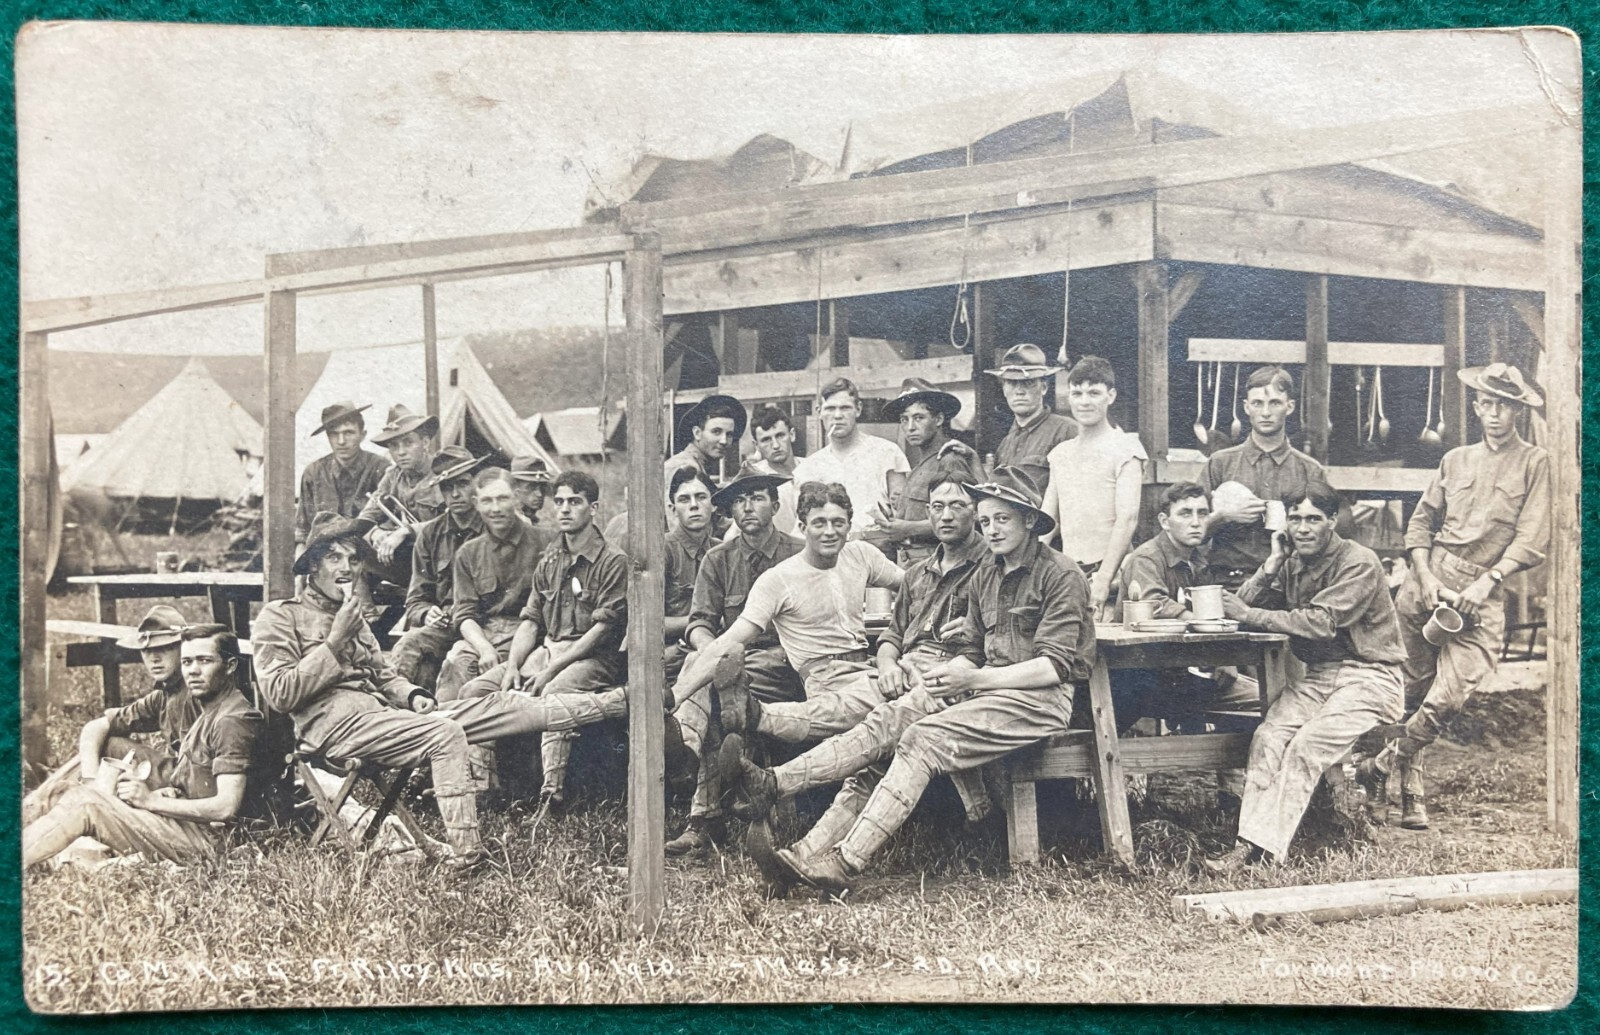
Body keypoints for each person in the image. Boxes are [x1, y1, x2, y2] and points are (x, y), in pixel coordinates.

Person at [766, 466, 1094, 895]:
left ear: (1030, 520)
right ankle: (798, 833)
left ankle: (846, 861)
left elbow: (1053, 668)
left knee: (922, 739)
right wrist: (952, 673)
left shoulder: (1060, 574)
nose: (992, 530)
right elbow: (972, 647)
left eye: (1003, 519)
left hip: (1038, 701)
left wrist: (973, 677)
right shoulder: (988, 573)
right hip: (985, 692)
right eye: (986, 520)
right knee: (888, 720)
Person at [253, 514, 627, 871]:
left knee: (495, 704)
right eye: (334, 558)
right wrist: (335, 641)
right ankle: (467, 855)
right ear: (313, 566)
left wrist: (412, 696)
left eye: (353, 559)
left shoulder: (348, 615)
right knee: (444, 733)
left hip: (381, 718)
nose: (347, 568)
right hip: (334, 730)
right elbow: (281, 694)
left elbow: (384, 676)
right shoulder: (281, 616)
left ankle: (616, 703)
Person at [721, 466, 997, 879]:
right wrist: (888, 663)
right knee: (875, 755)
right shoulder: (921, 573)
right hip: (911, 673)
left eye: (957, 505)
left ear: (975, 512)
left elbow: (1001, 637)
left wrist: (973, 633)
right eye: (937, 506)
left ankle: (772, 771)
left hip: (960, 680)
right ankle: (801, 854)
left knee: (878, 724)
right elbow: (892, 634)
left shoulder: (992, 566)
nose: (945, 515)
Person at [1355, 363, 1550, 831]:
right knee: (1410, 690)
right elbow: (1421, 523)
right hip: (1430, 581)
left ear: (1519, 411)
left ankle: (1378, 766)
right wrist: (1423, 576)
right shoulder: (1455, 460)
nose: (1495, 414)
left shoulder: (1535, 463)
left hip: (1483, 592)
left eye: (1505, 405)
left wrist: (1488, 581)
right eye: (1488, 404)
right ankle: (1410, 793)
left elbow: (1531, 537)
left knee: (1450, 696)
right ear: (1476, 407)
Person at [1203, 485, 1405, 874]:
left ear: (1333, 520)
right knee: (1268, 737)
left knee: (1305, 745)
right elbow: (1241, 606)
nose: (1303, 528)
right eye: (1295, 519)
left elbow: (1321, 622)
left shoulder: (1359, 562)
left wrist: (1248, 614)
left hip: (1371, 678)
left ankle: (1263, 854)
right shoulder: (1292, 562)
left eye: (1313, 519)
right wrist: (1273, 562)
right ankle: (1247, 846)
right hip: (1320, 677)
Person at [666, 482, 904, 790]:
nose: (829, 532)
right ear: (803, 527)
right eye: (819, 523)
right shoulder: (777, 577)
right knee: (893, 713)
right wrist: (676, 695)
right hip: (820, 675)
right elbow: (728, 639)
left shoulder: (861, 554)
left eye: (838, 523)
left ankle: (759, 755)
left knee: (908, 703)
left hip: (862, 669)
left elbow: (915, 585)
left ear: (849, 525)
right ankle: (696, 751)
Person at [24, 625, 279, 868]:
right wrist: (167, 794)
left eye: (204, 661)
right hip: (189, 825)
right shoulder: (212, 709)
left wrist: (149, 801)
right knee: (78, 796)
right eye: (187, 662)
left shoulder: (232, 721)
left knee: (86, 804)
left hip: (210, 842)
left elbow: (225, 807)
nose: (193, 671)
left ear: (230, 665)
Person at [461, 470, 630, 815]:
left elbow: (601, 631)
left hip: (593, 660)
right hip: (547, 651)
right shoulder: (551, 558)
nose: (564, 509)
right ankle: (483, 788)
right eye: (560, 502)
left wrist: (551, 669)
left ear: (594, 508)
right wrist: (512, 665)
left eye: (575, 502)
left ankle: (551, 796)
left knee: (554, 695)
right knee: (475, 691)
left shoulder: (613, 562)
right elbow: (531, 620)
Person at [663, 472, 805, 856]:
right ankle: (687, 753)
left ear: (776, 506)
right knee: (709, 668)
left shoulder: (798, 553)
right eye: (739, 501)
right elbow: (699, 623)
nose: (748, 507)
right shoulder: (719, 559)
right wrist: (712, 650)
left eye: (757, 498)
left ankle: (703, 815)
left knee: (720, 684)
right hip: (730, 659)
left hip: (783, 660)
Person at [23, 605, 197, 824]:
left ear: (184, 648)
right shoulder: (164, 694)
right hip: (178, 775)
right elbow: (95, 727)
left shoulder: (198, 691)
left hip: (191, 789)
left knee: (101, 760)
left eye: (165, 648)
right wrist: (92, 780)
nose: (154, 658)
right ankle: (38, 808)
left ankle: (35, 811)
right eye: (146, 650)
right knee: (108, 744)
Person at [1200, 366, 1328, 592]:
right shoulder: (1219, 463)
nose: (1266, 412)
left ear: (1290, 407)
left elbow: (1325, 538)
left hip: (1290, 588)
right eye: (1257, 403)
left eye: (1275, 403)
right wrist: (1223, 516)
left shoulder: (1310, 470)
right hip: (1229, 584)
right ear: (1246, 407)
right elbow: (1191, 534)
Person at [1040, 356, 1146, 615]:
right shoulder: (1060, 454)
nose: (1084, 401)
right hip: (1069, 573)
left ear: (1111, 396)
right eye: (1077, 393)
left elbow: (1128, 519)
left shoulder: (1125, 449)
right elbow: (1046, 522)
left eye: (1094, 393)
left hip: (1112, 575)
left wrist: (1103, 580)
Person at [438, 468, 550, 698]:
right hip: (483, 634)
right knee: (454, 668)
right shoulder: (468, 553)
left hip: (528, 636)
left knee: (480, 691)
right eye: (487, 501)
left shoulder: (546, 542)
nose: (495, 509)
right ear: (476, 504)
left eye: (502, 498)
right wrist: (484, 648)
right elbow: (464, 614)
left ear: (516, 498)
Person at [389, 447, 485, 688]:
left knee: (452, 667)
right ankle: (394, 702)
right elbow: (415, 599)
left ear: (477, 483)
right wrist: (426, 613)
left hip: (484, 626)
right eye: (447, 487)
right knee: (410, 648)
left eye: (463, 484)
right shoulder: (431, 535)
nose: (455, 494)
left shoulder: (493, 529)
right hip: (444, 628)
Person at [874, 377, 976, 565]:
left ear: (939, 419)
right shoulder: (921, 464)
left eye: (919, 418)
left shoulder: (949, 460)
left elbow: (961, 520)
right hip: (910, 561)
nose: (910, 427)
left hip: (934, 561)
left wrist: (907, 528)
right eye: (904, 419)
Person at [790, 378, 910, 536]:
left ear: (858, 409)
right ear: (819, 412)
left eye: (845, 408)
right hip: (829, 546)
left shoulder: (887, 453)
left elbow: (902, 513)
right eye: (830, 408)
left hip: (878, 545)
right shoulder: (807, 469)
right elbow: (802, 526)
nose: (837, 415)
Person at [356, 405, 444, 587]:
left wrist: (407, 531)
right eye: (394, 446)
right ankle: (364, 606)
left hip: (440, 561)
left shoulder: (443, 473)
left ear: (425, 442)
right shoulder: (393, 476)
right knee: (349, 546)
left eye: (408, 443)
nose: (401, 452)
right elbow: (364, 519)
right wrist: (376, 533)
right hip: (408, 560)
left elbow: (452, 521)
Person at [295, 401, 387, 546]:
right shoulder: (313, 472)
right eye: (334, 434)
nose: (341, 441)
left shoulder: (381, 468)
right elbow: (303, 531)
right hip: (325, 553)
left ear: (362, 435)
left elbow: (390, 525)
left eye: (348, 433)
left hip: (369, 554)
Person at [984, 343, 1078, 483]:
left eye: (1027, 382)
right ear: (1004, 390)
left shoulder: (1066, 431)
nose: (1019, 391)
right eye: (1012, 383)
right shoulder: (1006, 442)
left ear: (1044, 388)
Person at [663, 466, 717, 682]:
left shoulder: (722, 551)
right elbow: (645, 623)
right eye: (684, 499)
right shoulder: (661, 550)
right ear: (673, 509)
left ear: (713, 504)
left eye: (701, 497)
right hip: (668, 654)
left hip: (711, 649)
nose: (694, 505)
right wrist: (701, 622)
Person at [739, 405, 802, 534]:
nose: (775, 445)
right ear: (756, 445)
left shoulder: (813, 467)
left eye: (780, 435)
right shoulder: (754, 477)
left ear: (792, 435)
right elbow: (736, 530)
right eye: (766, 439)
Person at [667, 393, 747, 487]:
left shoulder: (697, 464)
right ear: (697, 433)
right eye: (716, 432)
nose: (724, 441)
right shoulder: (686, 467)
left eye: (729, 434)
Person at [510, 455, 553, 526]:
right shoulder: (510, 524)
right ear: (515, 488)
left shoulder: (533, 523)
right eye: (531, 487)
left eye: (543, 486)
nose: (539, 494)